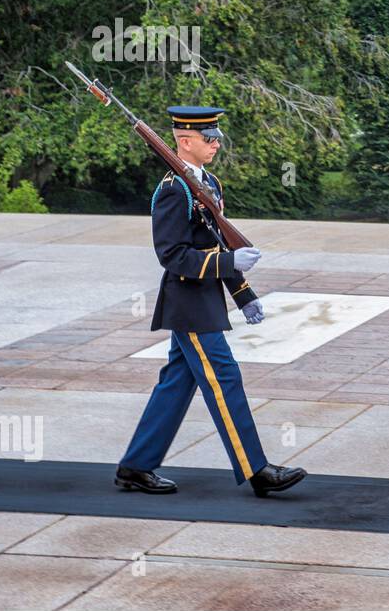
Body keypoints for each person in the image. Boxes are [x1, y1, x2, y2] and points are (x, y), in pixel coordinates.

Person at [116, 106, 306, 498]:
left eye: (216, 135)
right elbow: (172, 255)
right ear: (185, 141)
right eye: (209, 137)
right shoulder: (173, 190)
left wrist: (243, 293)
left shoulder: (209, 184)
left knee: (176, 383)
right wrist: (229, 262)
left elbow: (220, 240)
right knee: (224, 379)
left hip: (205, 299)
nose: (217, 142)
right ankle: (257, 469)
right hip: (189, 304)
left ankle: (136, 466)